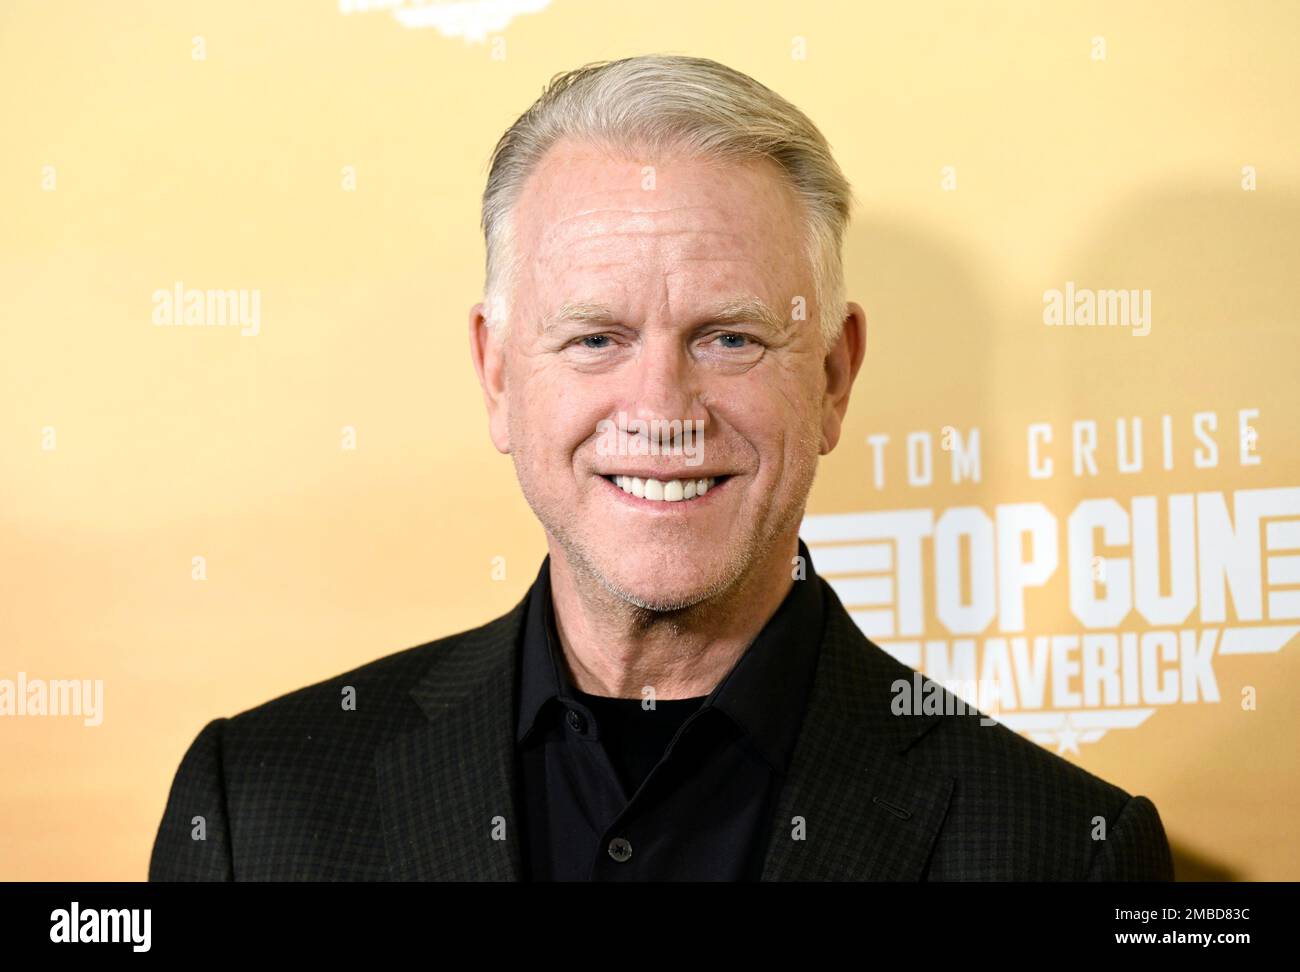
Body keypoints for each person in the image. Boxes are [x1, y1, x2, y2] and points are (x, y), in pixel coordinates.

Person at [150, 54, 1174, 881]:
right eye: (595, 338)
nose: (660, 410)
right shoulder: (258, 807)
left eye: (728, 338)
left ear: (831, 376)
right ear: (497, 374)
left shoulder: (1060, 851)